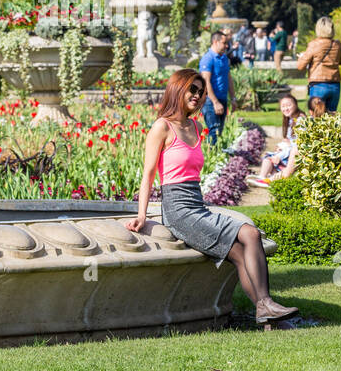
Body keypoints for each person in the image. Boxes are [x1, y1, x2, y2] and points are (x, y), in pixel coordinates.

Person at [127, 70, 299, 326]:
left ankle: (266, 313)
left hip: (197, 203)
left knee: (241, 253)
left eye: (200, 92)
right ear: (177, 90)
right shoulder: (161, 127)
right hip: (178, 210)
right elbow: (148, 174)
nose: (197, 96)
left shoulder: (195, 126)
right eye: (192, 90)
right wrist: (142, 215)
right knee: (250, 234)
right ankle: (266, 304)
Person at [250, 95, 305, 186]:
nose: (285, 108)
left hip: (294, 155)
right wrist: (282, 145)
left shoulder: (300, 120)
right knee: (268, 158)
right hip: (289, 151)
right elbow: (289, 141)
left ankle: (267, 180)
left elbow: (296, 145)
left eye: (288, 105)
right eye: (283, 106)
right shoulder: (291, 119)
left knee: (273, 158)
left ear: (295, 104)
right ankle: (262, 177)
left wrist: (280, 155)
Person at [295, 16, 341, 112]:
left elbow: (300, 66)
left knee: (316, 117)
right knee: (332, 117)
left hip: (318, 84)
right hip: (335, 84)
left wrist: (302, 57)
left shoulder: (314, 44)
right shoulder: (337, 44)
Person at [197, 31, 230, 145]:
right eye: (224, 43)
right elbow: (205, 82)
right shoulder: (208, 59)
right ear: (215, 42)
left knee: (219, 131)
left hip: (222, 98)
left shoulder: (224, 58)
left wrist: (233, 98)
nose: (227, 46)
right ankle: (209, 156)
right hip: (210, 101)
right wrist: (215, 102)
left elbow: (228, 78)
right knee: (213, 129)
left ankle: (215, 155)